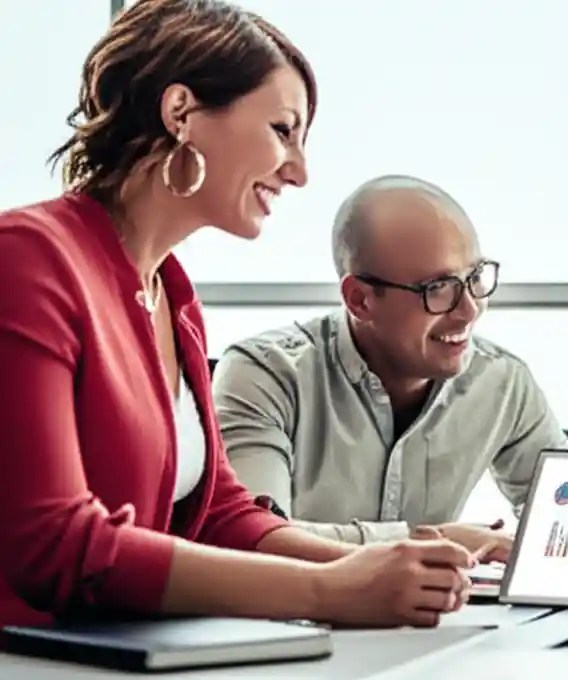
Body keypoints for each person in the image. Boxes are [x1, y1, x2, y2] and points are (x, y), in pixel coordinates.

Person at [0, 0, 474, 629]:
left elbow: (221, 516)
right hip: (32, 666)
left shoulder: (173, 296)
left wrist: (380, 569)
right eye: (283, 130)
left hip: (124, 658)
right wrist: (327, 591)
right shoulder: (27, 259)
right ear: (181, 112)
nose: (300, 172)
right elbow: (55, 543)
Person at [212, 175, 568, 561]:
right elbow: (251, 540)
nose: (469, 311)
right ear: (360, 300)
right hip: (293, 601)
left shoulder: (502, 382)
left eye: (475, 277)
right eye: (438, 288)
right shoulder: (264, 375)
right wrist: (425, 542)